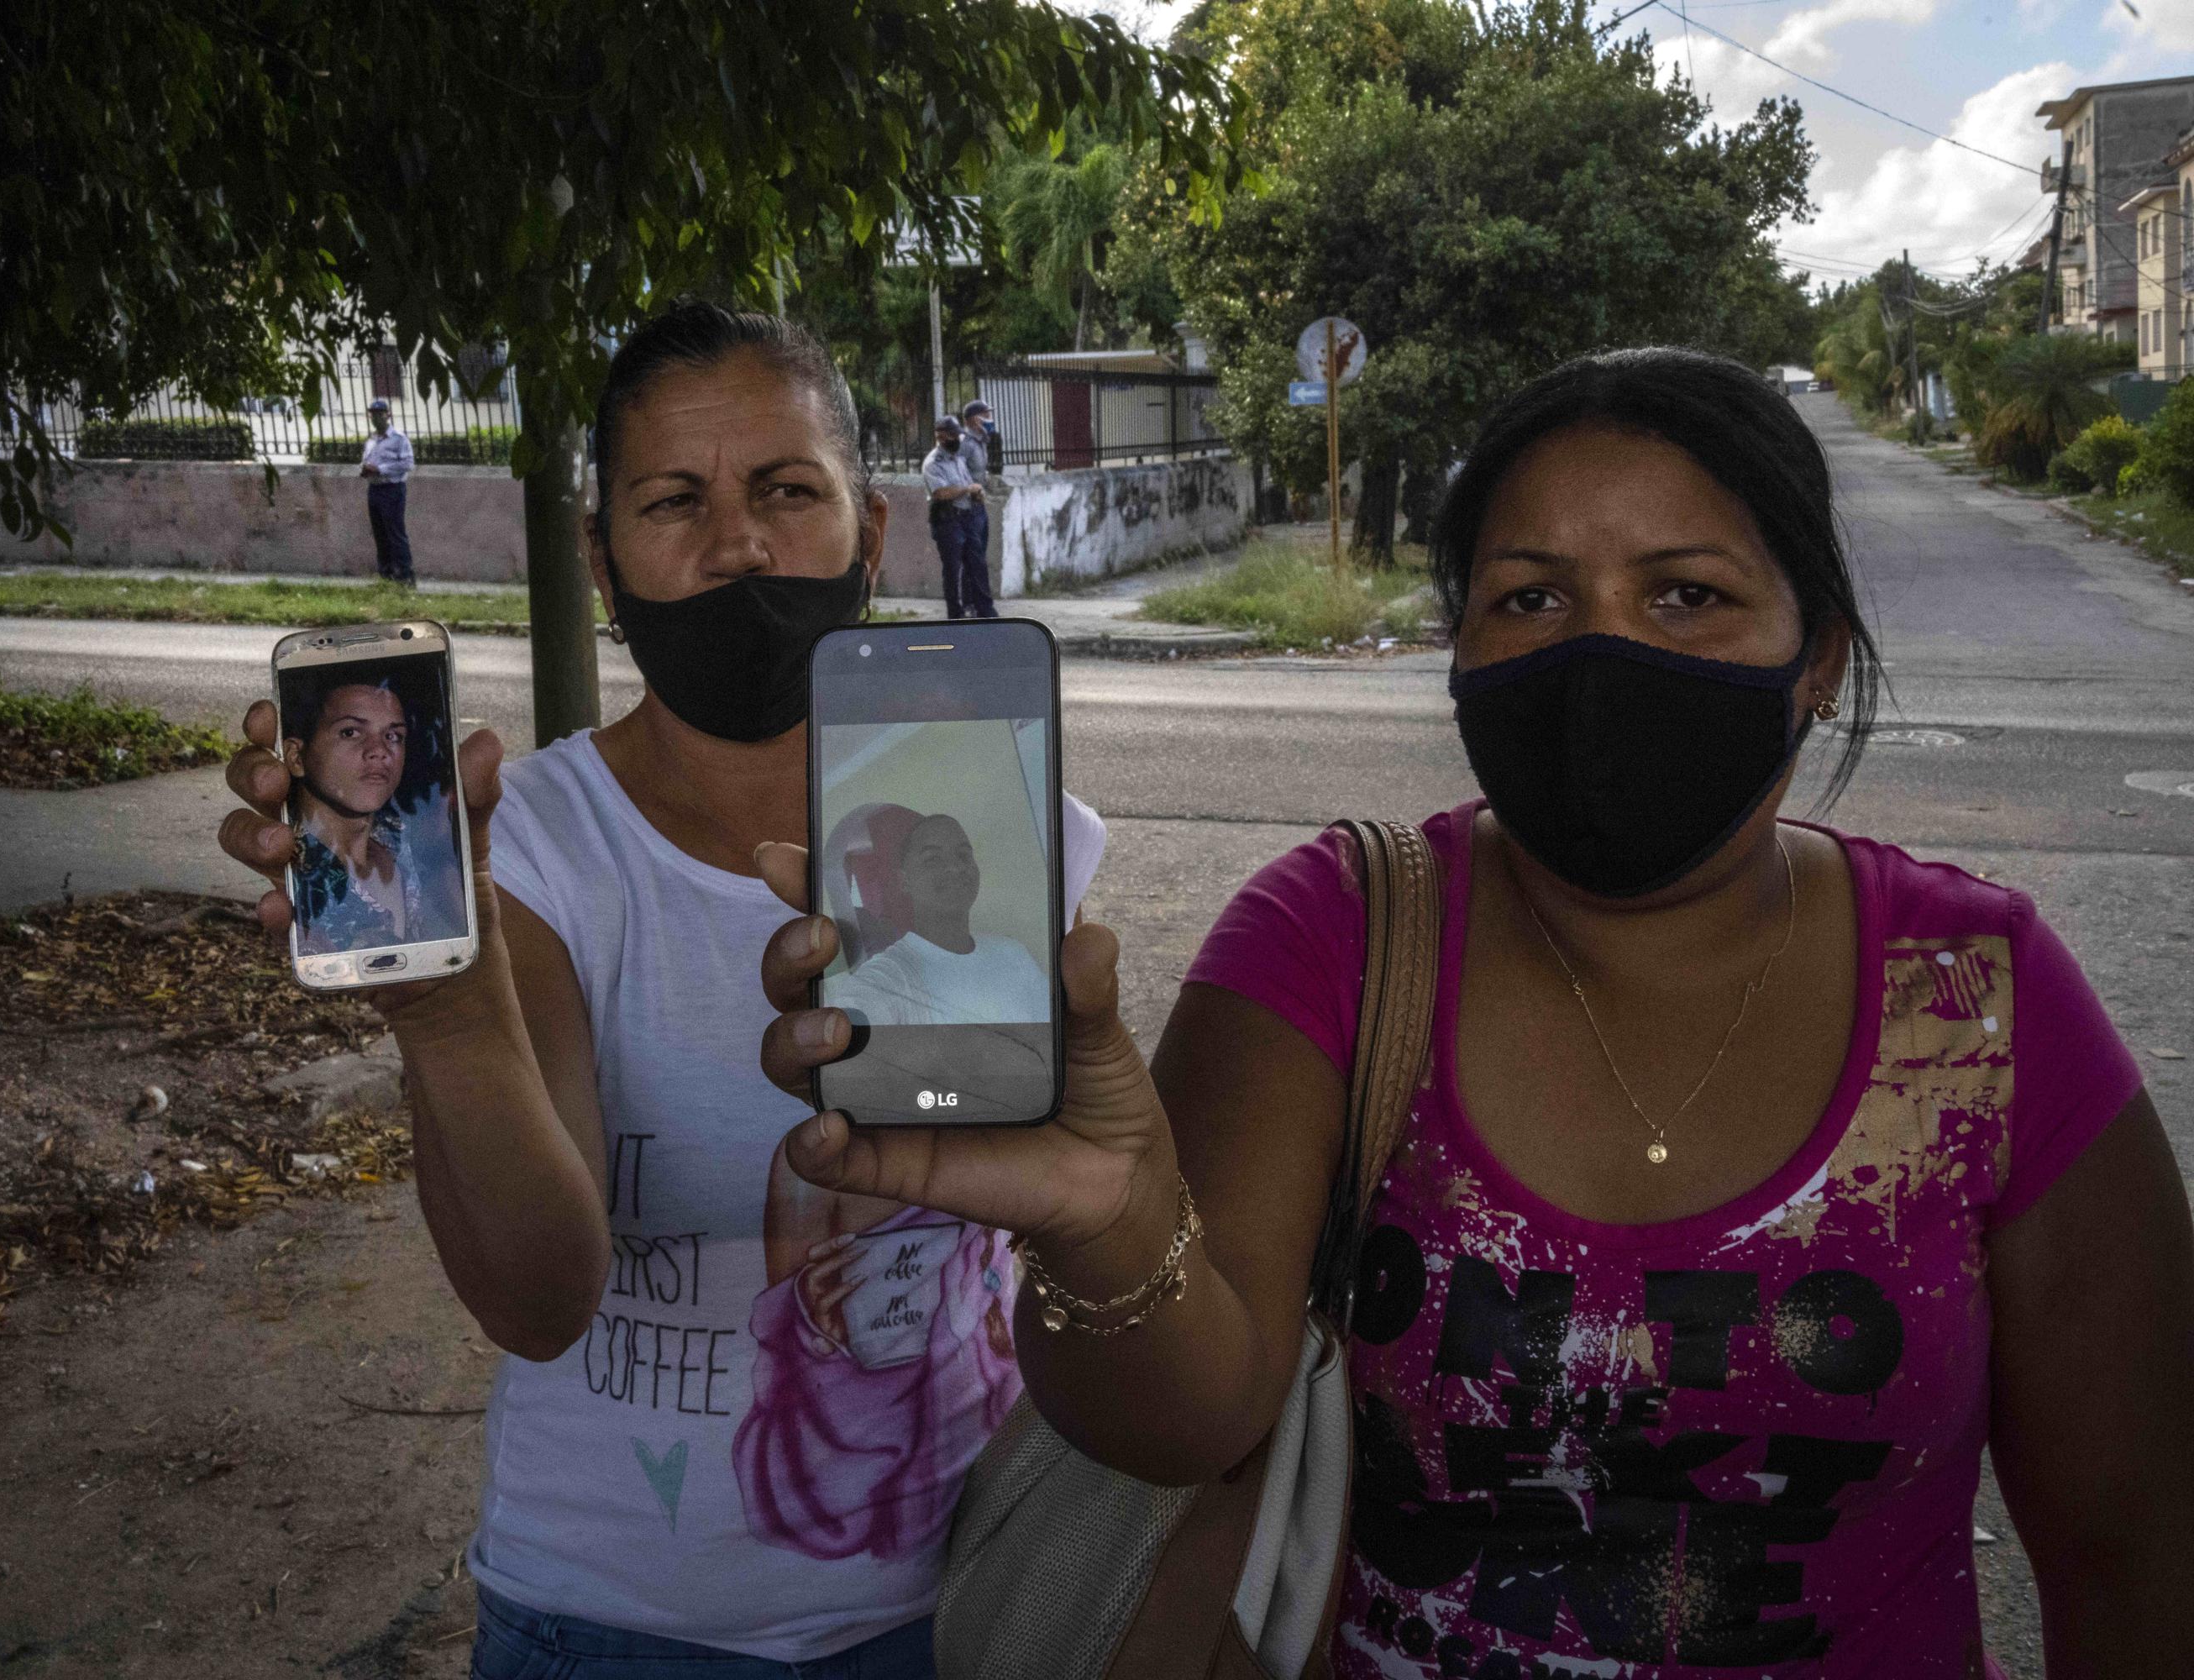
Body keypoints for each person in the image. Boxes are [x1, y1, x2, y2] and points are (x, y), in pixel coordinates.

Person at [761, 348, 2194, 1676]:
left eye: (1687, 594)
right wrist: (1102, 1225)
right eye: (1530, 597)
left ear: (1815, 656)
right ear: (1460, 654)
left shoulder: (1978, 1001)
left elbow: (2137, 1557)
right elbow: (1179, 1422)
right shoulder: (1331, 939)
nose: (1602, 650)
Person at [218, 300, 1105, 1680]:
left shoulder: (990, 817)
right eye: (674, 501)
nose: (739, 545)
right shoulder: (539, 853)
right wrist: (444, 1011)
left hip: (978, 1599)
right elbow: (536, 1295)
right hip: (619, 1634)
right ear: (601, 558)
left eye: (787, 492)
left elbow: (1066, 1237)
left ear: (869, 535)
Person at [282, 676, 463, 954]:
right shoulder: (299, 880)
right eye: (350, 733)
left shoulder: (400, 836)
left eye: (393, 736)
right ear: (296, 757)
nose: (380, 751)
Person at [825, 812, 1049, 1026]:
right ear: (904, 881)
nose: (954, 868)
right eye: (932, 859)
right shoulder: (890, 977)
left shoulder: (1015, 956)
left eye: (963, 855)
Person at [921, 415, 995, 620]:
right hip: (946, 520)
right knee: (953, 569)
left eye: (958, 435)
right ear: (941, 437)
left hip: (967, 516)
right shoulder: (933, 463)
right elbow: (940, 493)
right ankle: (955, 613)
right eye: (953, 436)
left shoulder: (959, 460)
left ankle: (985, 610)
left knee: (977, 564)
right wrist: (967, 489)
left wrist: (976, 492)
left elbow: (968, 483)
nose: (957, 440)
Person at [360, 396, 417, 586]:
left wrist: (380, 469)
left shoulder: (399, 439)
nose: (376, 418)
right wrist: (366, 469)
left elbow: (408, 463)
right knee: (380, 533)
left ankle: (404, 576)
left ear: (388, 415)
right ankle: (386, 575)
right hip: (374, 488)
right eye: (373, 414)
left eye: (380, 414)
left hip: (392, 489)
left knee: (395, 533)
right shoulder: (371, 440)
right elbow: (367, 461)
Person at [959, 398, 1000, 480]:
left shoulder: (981, 439)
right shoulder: (964, 442)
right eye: (986, 416)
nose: (990, 419)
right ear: (975, 419)